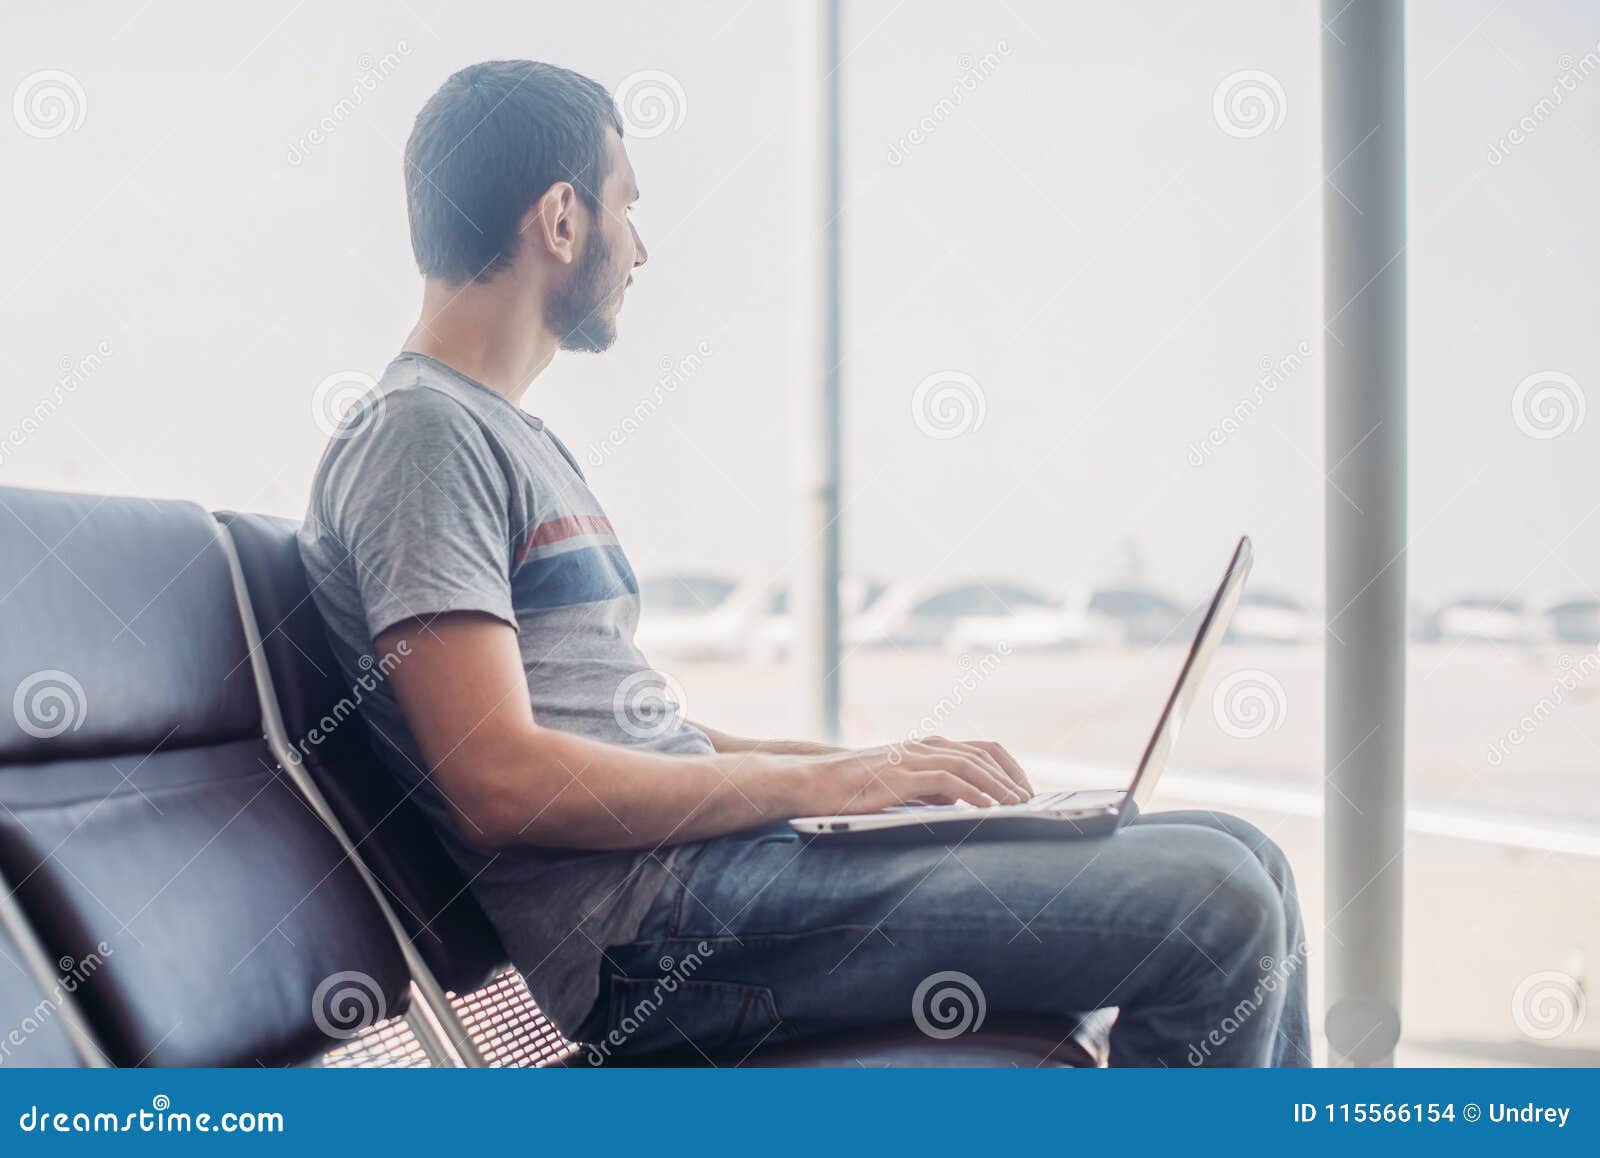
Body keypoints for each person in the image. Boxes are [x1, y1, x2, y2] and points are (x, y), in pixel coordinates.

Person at [298, 59, 1310, 1066]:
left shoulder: (501, 435)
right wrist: (827, 788)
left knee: (1246, 856)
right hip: (657, 940)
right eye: (625, 206)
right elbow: (500, 781)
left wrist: (852, 773)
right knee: (1213, 909)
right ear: (560, 220)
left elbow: (632, 735)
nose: (640, 249)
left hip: (718, 887)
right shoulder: (421, 437)